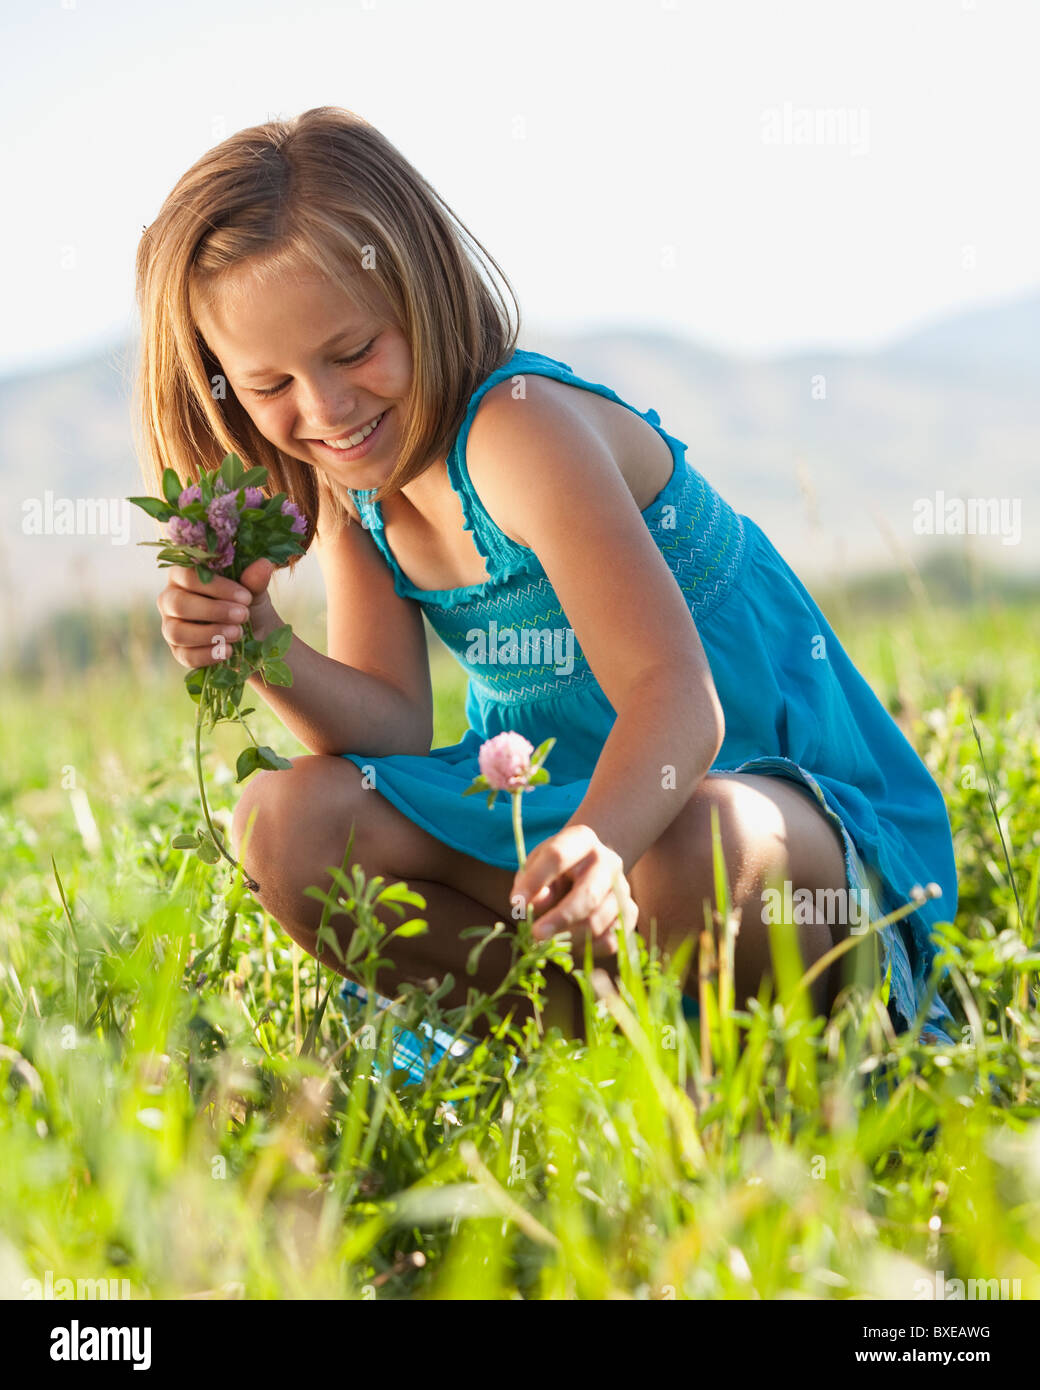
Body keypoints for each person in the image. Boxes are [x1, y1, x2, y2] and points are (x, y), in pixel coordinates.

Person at [141, 106, 957, 1048]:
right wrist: (261, 646)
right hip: (573, 821)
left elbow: (680, 703)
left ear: (424, 295)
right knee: (285, 821)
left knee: (696, 841)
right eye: (270, 385)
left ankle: (773, 1066)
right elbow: (393, 728)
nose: (325, 407)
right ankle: (588, 1054)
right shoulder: (360, 484)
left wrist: (604, 846)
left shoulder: (519, 429)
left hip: (771, 823)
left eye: (355, 350)